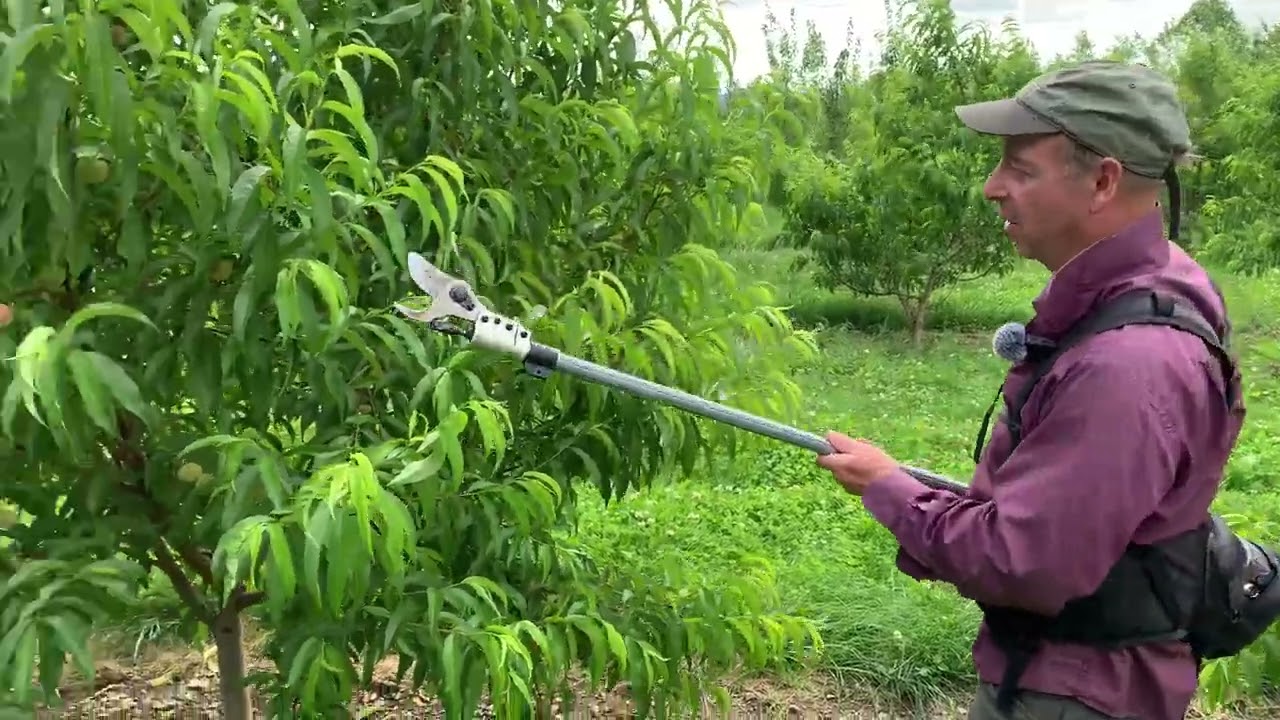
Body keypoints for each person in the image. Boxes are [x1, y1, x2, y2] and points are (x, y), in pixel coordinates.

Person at [815, 60, 1247, 720]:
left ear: (1102, 180)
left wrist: (890, 489)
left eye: (1020, 167)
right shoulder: (1158, 286)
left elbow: (1026, 563)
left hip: (1072, 696)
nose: (993, 188)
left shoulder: (1128, 367)